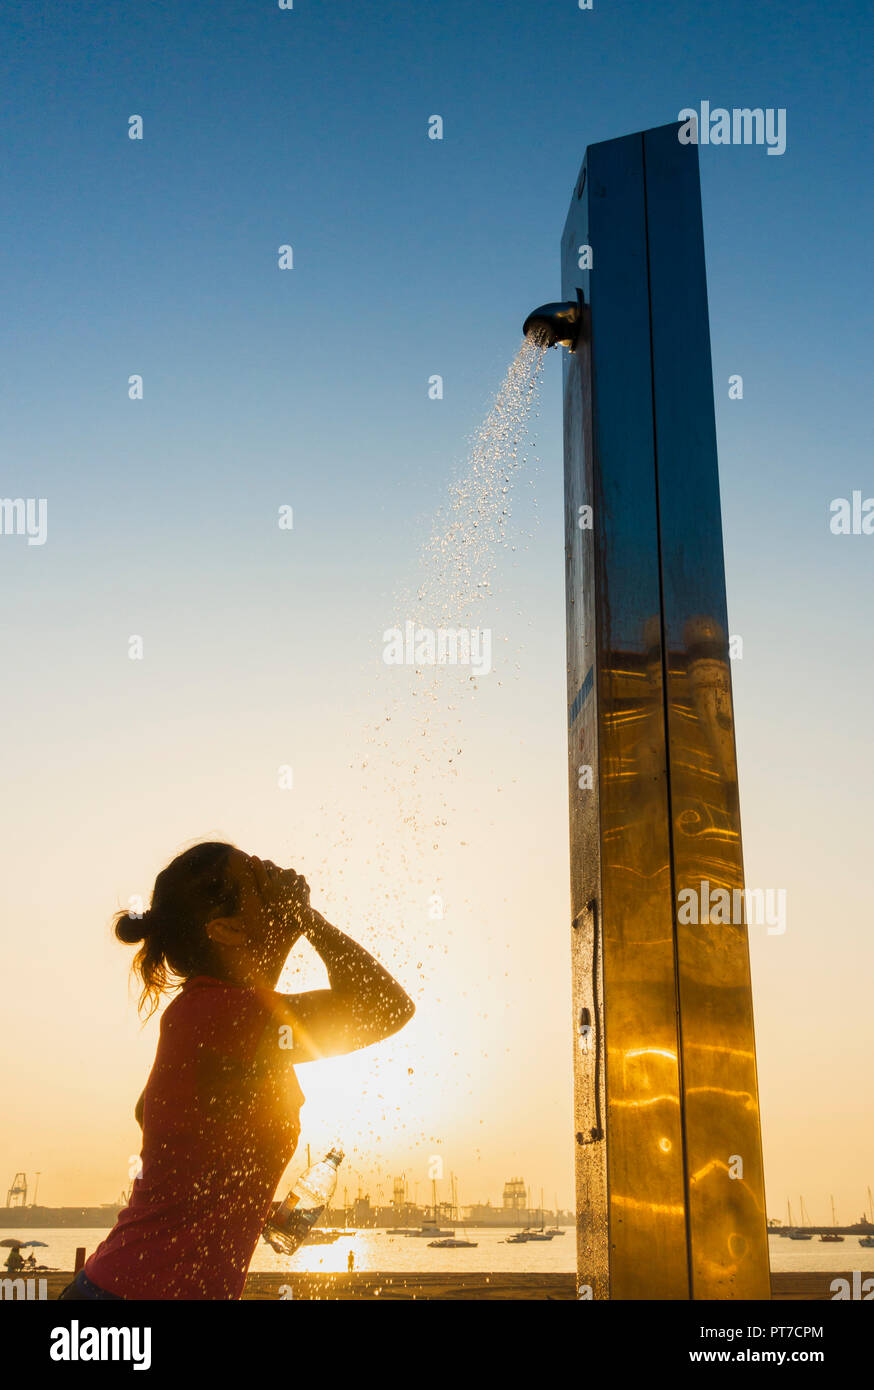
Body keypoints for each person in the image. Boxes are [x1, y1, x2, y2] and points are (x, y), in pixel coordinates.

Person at [57, 842, 414, 1301]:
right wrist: (307, 919)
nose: (272, 871)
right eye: (255, 876)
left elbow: (148, 1111)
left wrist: (235, 1198)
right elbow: (386, 1008)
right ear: (226, 929)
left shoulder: (212, 1014)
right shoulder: (222, 1017)